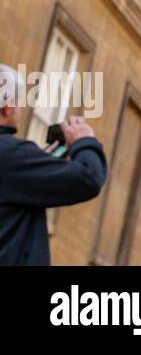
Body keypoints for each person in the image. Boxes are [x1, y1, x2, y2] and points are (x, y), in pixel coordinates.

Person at [0, 64, 107, 265]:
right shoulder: (10, 155)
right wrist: (85, 141)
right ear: (7, 106)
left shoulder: (13, 162)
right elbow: (89, 177)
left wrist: (36, 167)